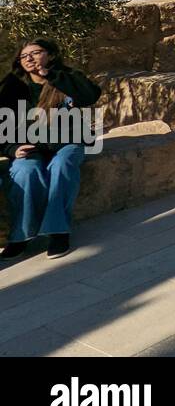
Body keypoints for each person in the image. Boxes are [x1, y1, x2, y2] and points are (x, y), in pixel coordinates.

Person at [0, 40, 101, 259]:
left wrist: (51, 75)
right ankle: (21, 235)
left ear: (50, 55)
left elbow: (90, 95)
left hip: (68, 142)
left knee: (62, 165)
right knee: (24, 171)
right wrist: (11, 148)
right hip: (32, 147)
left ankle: (58, 232)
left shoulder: (66, 77)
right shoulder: (13, 87)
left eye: (35, 52)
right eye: (24, 55)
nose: (29, 58)